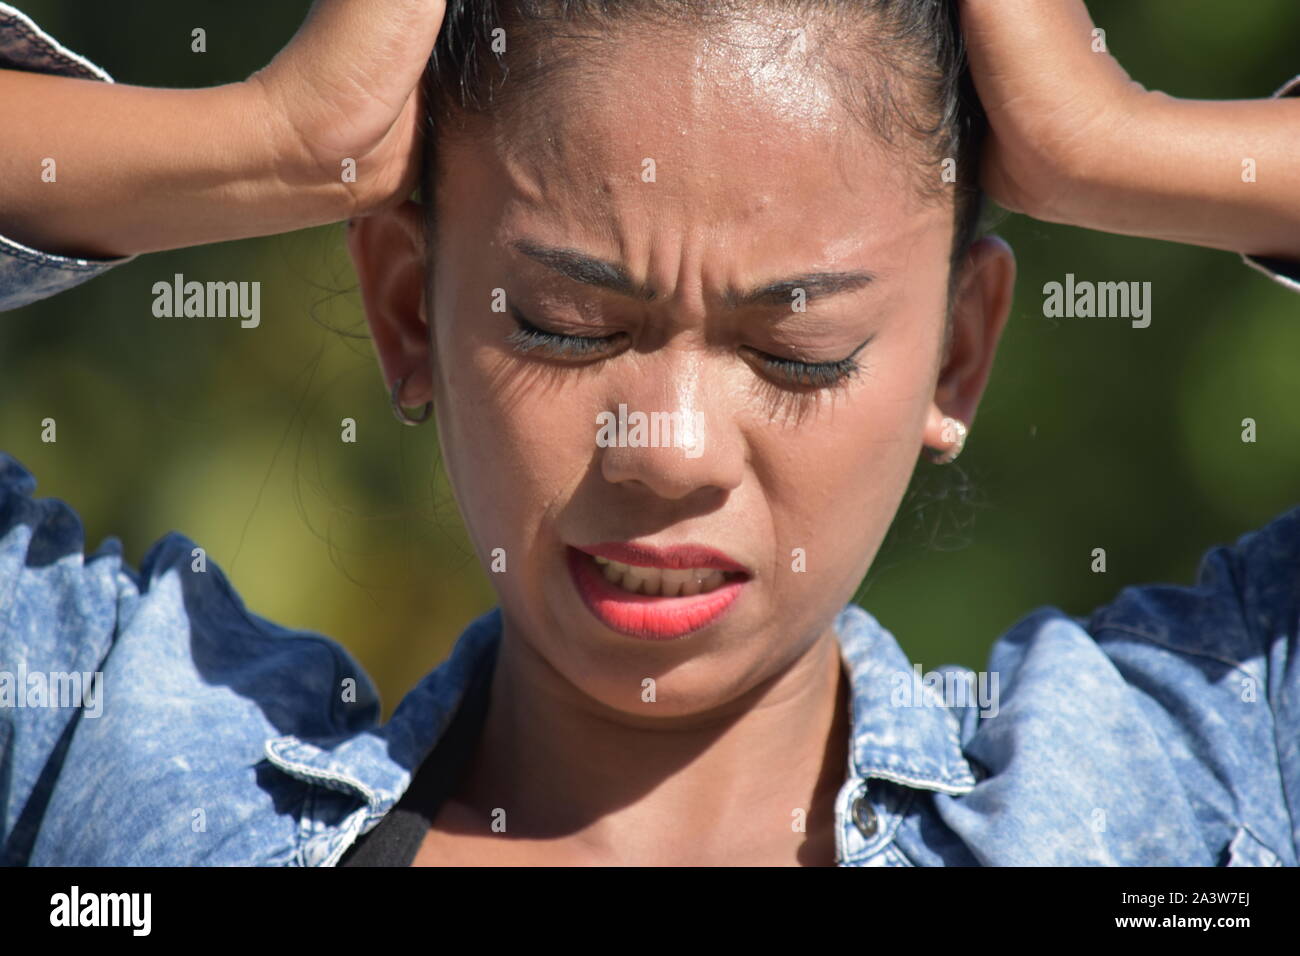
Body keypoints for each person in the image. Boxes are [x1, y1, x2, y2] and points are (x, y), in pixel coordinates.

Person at [1, 0, 1297, 867]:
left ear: (958, 353)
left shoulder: (1186, 795)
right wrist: (275, 137)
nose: (668, 448)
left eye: (797, 350)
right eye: (566, 325)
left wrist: (1112, 142)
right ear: (408, 313)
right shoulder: (111, 764)